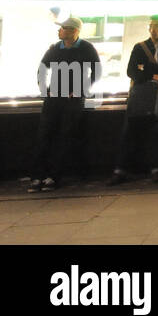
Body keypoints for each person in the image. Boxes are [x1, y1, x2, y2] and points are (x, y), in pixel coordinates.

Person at [29, 17, 100, 191]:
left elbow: (96, 71)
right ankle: (38, 175)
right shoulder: (55, 48)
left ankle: (54, 176)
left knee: (64, 136)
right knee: (44, 135)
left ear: (75, 31)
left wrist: (80, 90)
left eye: (64, 28)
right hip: (53, 97)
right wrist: (44, 90)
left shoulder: (86, 48)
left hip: (73, 100)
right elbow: (42, 69)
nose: (60, 31)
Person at [108, 14, 158, 185]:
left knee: (157, 131)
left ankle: (154, 168)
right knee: (130, 131)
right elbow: (131, 71)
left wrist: (144, 71)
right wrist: (154, 75)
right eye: (151, 26)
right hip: (141, 95)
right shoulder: (140, 47)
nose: (153, 29)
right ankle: (122, 168)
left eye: (157, 26)